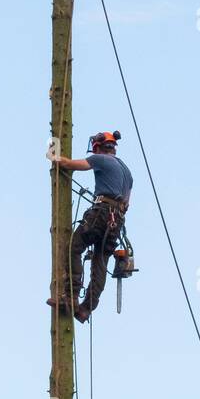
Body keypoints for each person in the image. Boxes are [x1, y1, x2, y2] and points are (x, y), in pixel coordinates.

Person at [49, 131, 133, 322]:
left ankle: (70, 297)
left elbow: (70, 165)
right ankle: (86, 308)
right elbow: (127, 204)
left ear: (98, 147)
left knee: (75, 246)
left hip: (102, 213)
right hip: (116, 221)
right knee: (100, 261)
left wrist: (54, 155)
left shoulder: (100, 159)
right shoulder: (127, 172)